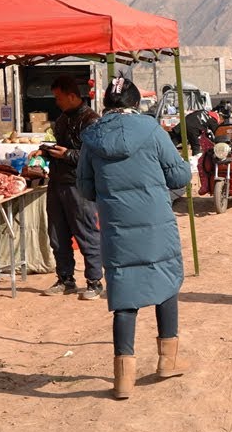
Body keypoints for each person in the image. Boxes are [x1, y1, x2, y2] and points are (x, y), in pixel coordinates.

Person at [77, 77, 192, 400]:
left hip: (116, 227)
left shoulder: (92, 137)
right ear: (135, 102)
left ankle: (123, 380)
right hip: (156, 222)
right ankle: (167, 360)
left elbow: (85, 188)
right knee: (166, 284)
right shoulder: (152, 131)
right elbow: (180, 175)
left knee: (124, 296)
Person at [41, 75, 104, 300]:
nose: (56, 102)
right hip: (57, 183)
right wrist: (44, 151)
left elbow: (94, 154)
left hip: (79, 186)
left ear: (71, 96)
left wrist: (67, 154)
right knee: (57, 234)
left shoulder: (92, 121)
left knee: (86, 232)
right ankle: (65, 279)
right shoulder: (62, 119)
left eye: (59, 98)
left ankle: (94, 281)